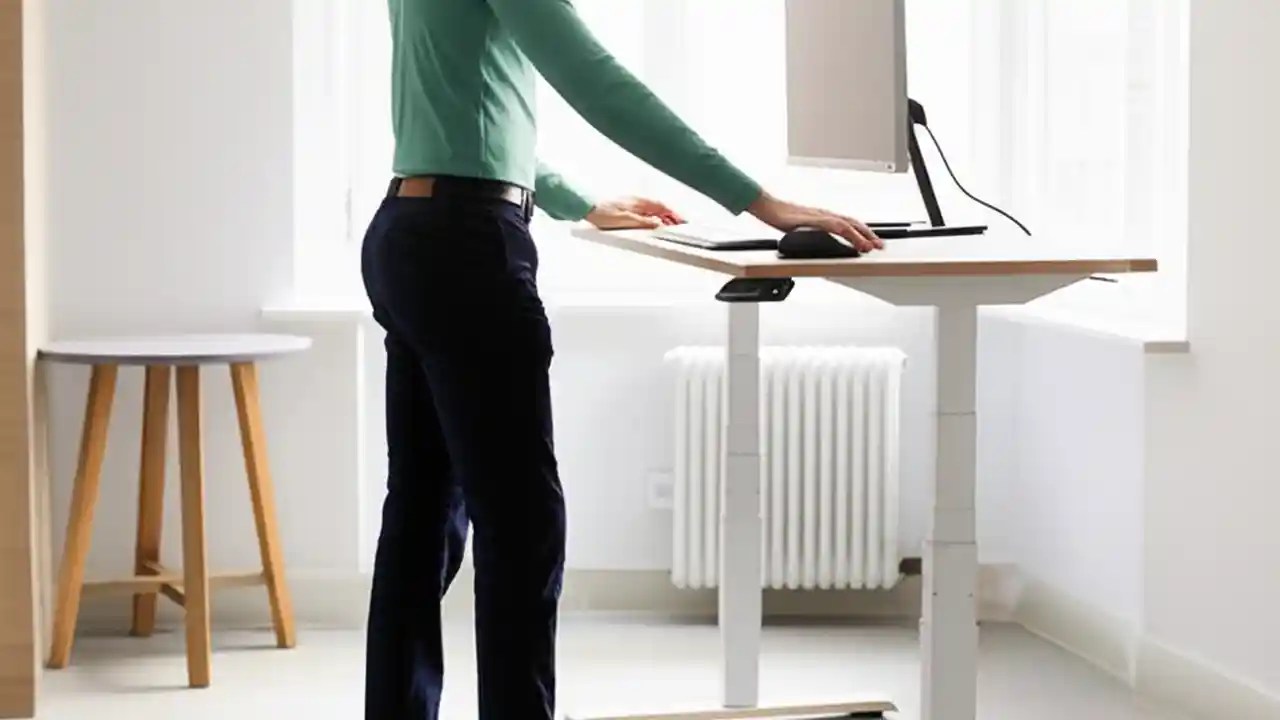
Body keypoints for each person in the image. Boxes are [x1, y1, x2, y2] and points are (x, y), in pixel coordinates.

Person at [359, 0, 884, 718]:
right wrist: (761, 203)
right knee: (521, 523)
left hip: (406, 233)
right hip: (465, 249)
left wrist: (580, 201)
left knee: (421, 517)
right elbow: (597, 82)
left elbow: (460, 114)